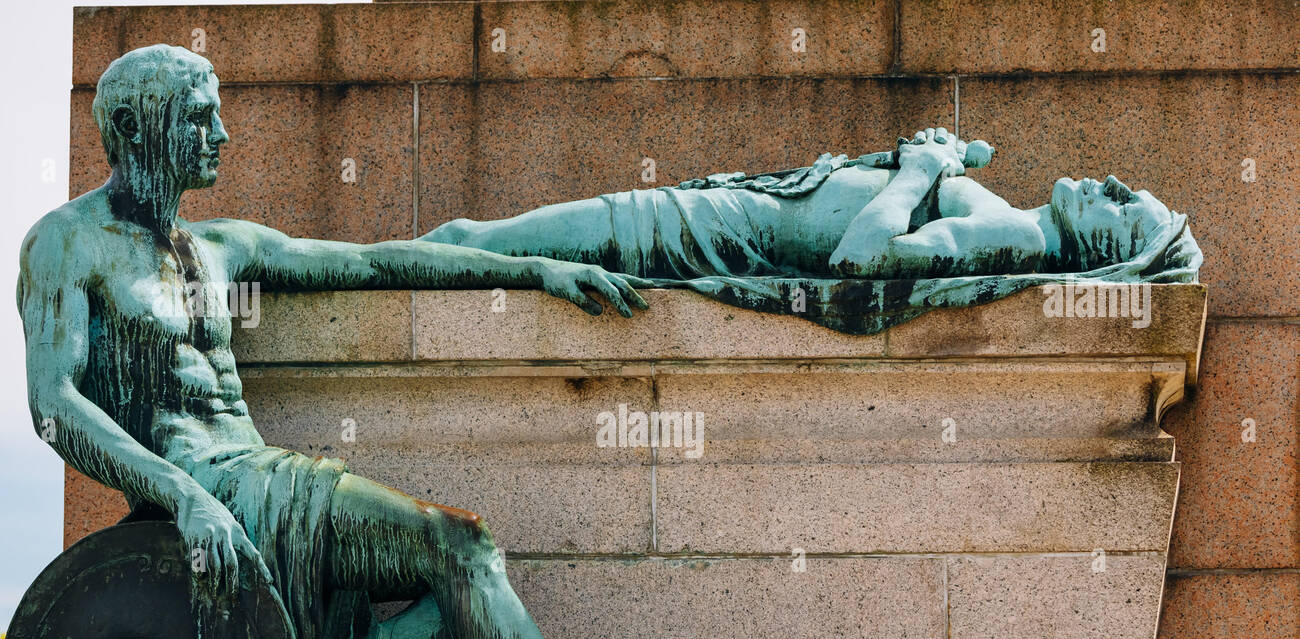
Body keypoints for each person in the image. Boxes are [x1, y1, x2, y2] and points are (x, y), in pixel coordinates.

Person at [17, 44, 737, 639]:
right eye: (198, 115)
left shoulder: (219, 245)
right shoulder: (65, 242)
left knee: (454, 581)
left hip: (260, 482)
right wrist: (183, 496)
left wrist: (532, 271)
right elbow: (53, 406)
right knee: (459, 546)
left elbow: (375, 262)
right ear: (128, 125)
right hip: (213, 493)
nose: (221, 133)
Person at [425, 129, 1201, 334]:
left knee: (486, 238)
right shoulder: (1009, 219)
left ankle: (356, 270)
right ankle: (358, 267)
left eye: (1128, 207)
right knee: (489, 235)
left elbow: (862, 260)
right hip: (737, 210)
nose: (1116, 186)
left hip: (717, 236)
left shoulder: (1020, 244)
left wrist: (920, 169)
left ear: (1113, 252)